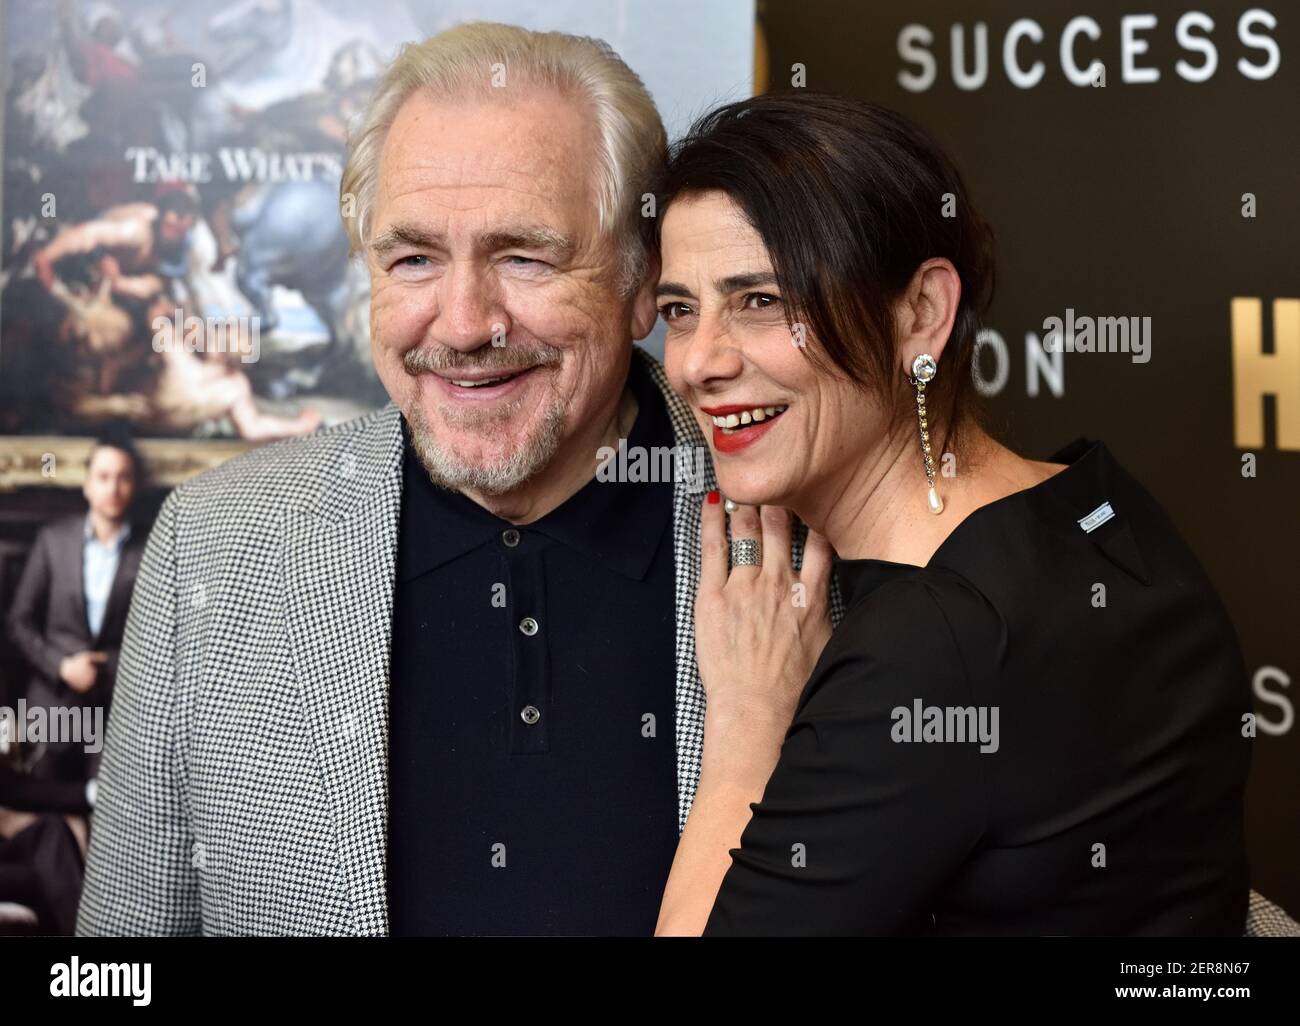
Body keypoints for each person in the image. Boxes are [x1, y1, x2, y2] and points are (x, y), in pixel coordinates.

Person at [75, 23, 833, 937]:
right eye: (414, 260)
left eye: (524, 256)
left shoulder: (810, 532)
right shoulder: (213, 544)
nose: (465, 324)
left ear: (641, 284)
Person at [652, 93, 1251, 936]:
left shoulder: (934, 645)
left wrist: (751, 719)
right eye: (680, 310)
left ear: (922, 313)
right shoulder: (1098, 501)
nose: (696, 363)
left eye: (760, 301)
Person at [7, 435, 143, 789]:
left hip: (120, 708)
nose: (113, 487)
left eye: (123, 477)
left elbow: (158, 636)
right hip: (51, 706)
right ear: (87, 485)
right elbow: (18, 622)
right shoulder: (53, 541)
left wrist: (109, 667)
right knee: (39, 809)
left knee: (109, 814)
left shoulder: (149, 550)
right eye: (103, 476)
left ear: (134, 486)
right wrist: (62, 666)